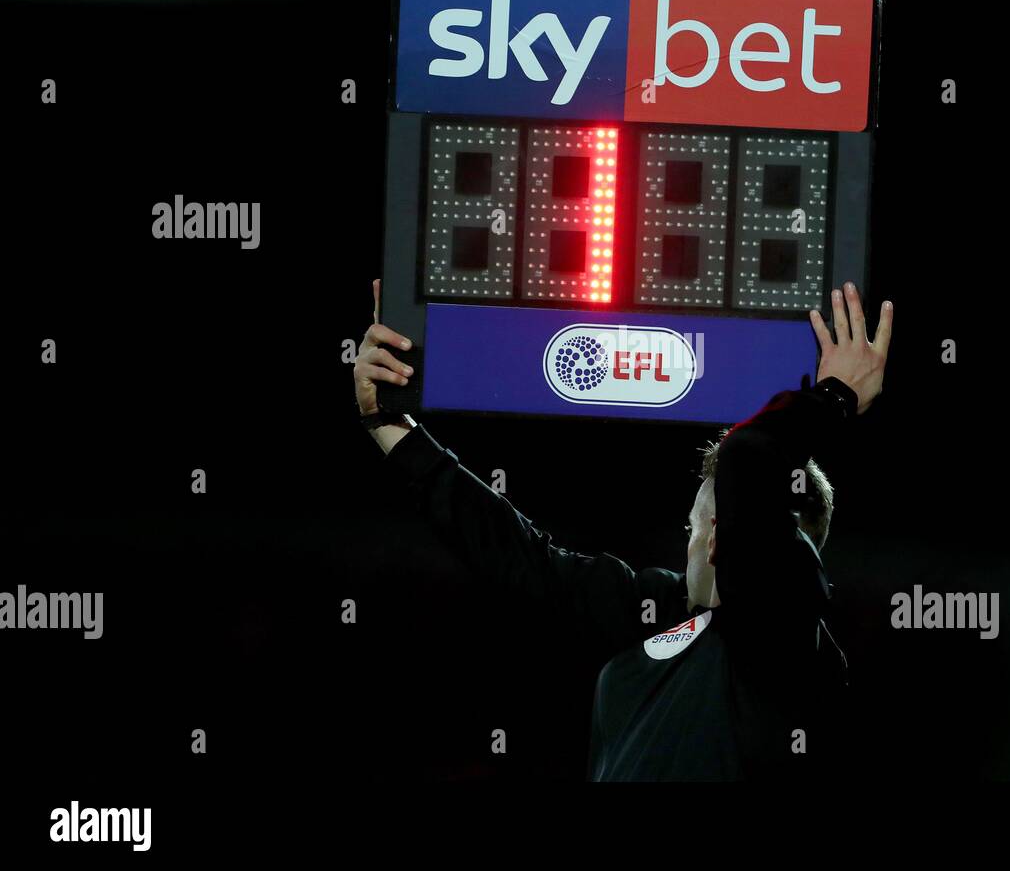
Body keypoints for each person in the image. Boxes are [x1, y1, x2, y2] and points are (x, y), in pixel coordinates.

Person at [354, 279, 892, 780]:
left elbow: (749, 457)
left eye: (709, 521)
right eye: (698, 523)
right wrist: (392, 427)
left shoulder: (788, 640)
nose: (697, 539)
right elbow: (523, 559)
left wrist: (834, 399)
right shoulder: (663, 608)